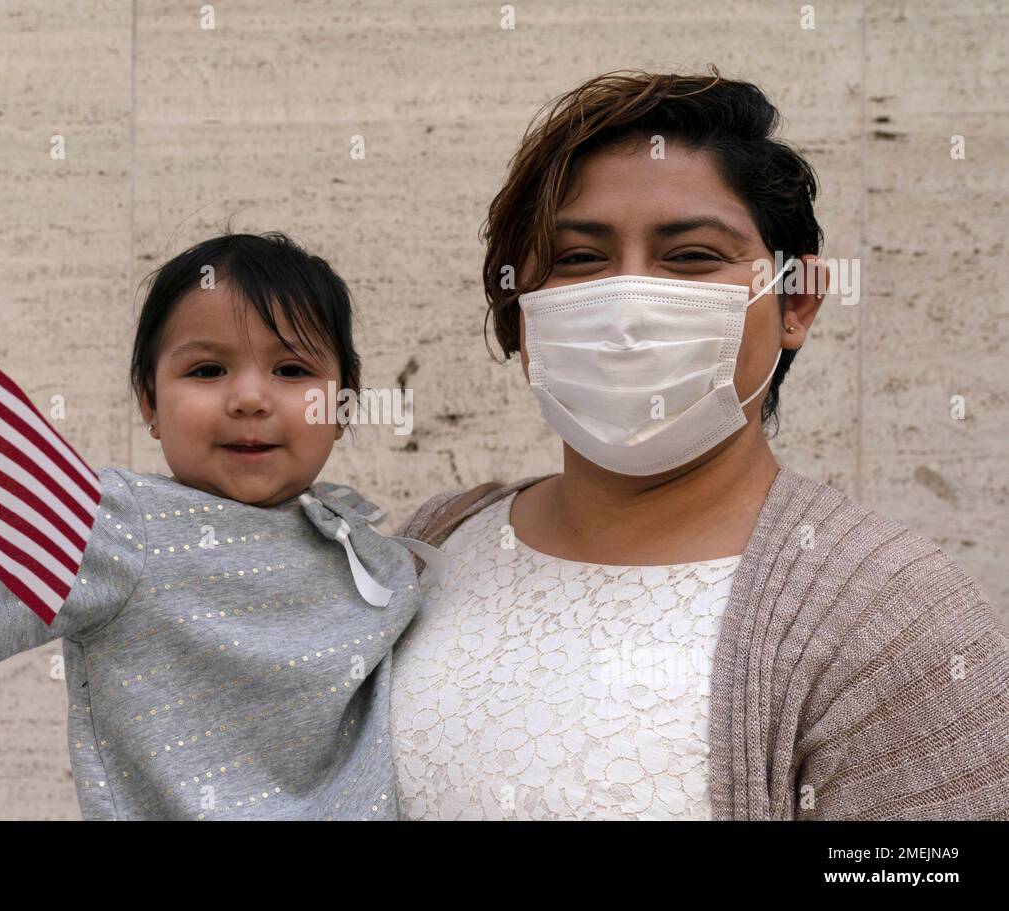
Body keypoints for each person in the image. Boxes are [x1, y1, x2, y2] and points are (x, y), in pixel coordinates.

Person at [391, 67, 1009, 821]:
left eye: (689, 256)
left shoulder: (888, 612)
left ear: (796, 303)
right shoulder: (436, 544)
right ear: (523, 315)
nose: (628, 303)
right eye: (580, 259)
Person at [0, 231, 444, 820]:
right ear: (150, 401)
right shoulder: (126, 526)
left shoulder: (367, 550)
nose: (251, 398)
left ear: (344, 404)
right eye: (207, 369)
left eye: (291, 369)